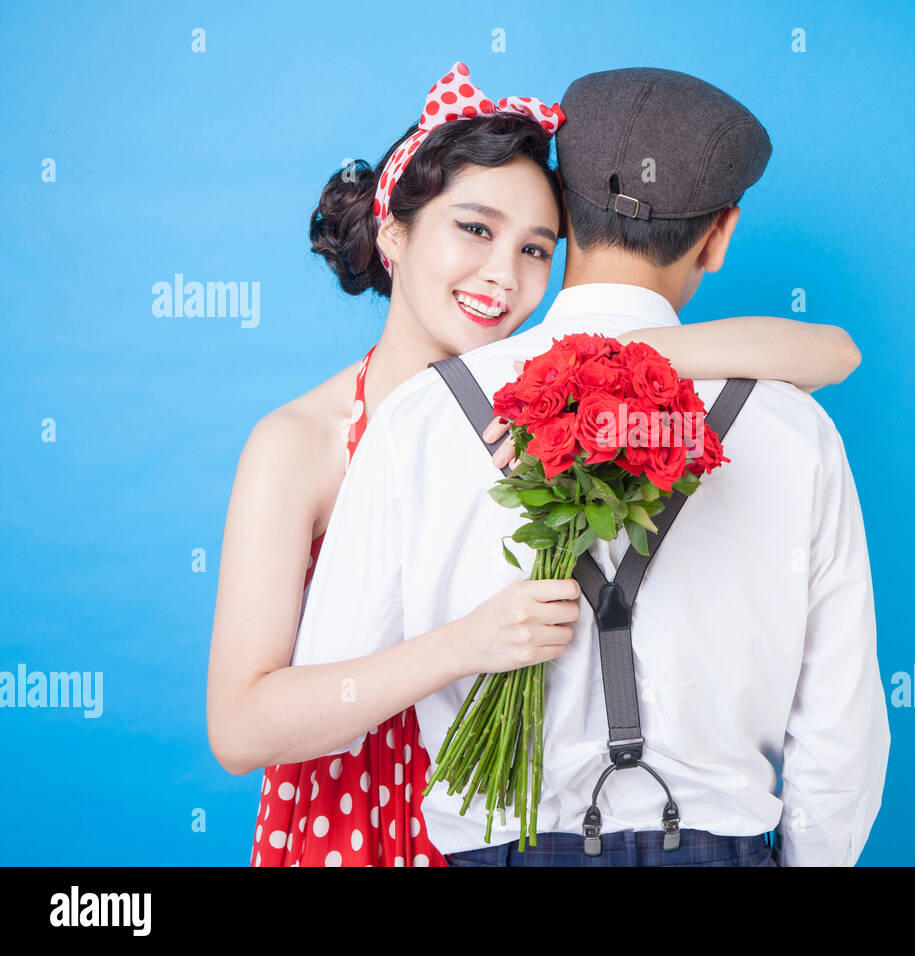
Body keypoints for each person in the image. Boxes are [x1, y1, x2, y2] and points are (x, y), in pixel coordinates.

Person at [205, 62, 863, 867]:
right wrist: (469, 642)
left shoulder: (434, 417)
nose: (502, 277)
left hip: (478, 830)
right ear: (394, 231)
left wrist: (611, 354)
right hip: (375, 813)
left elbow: (829, 352)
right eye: (474, 229)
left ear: (571, 237)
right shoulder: (337, 435)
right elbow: (838, 736)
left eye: (535, 248)